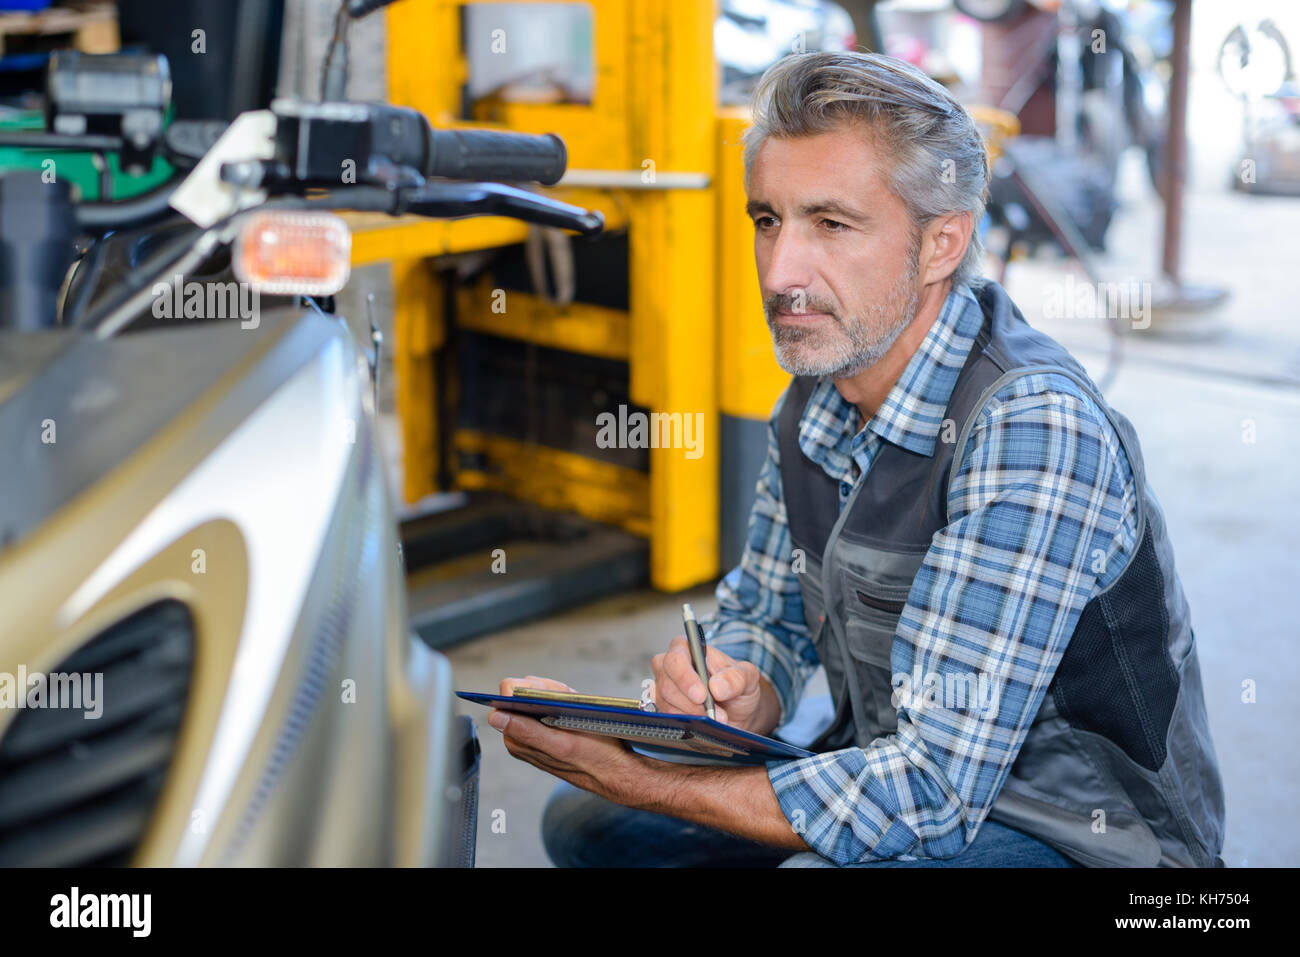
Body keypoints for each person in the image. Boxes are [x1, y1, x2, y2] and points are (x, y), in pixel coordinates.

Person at [487, 50, 1226, 868]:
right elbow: (766, 614)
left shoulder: (1031, 430)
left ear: (942, 242)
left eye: (831, 224)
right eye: (768, 219)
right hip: (899, 769)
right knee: (586, 823)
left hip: (1086, 839)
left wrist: (648, 780)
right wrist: (739, 687)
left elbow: (931, 795)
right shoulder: (818, 389)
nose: (782, 272)